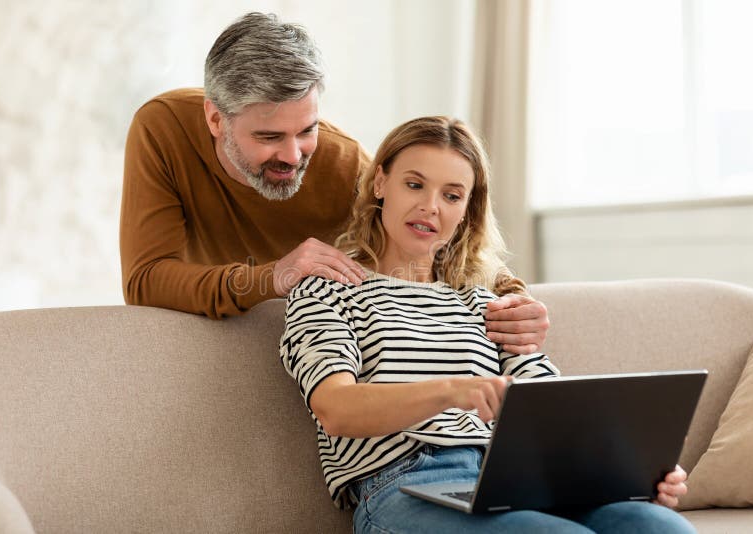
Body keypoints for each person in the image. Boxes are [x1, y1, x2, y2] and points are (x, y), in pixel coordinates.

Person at [280, 116, 694, 533]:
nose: (431, 206)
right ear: (380, 183)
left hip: (516, 482)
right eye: (414, 184)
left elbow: (551, 408)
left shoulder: (484, 302)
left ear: (466, 210)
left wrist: (631, 468)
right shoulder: (327, 290)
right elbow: (334, 407)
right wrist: (452, 390)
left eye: (452, 195)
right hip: (402, 488)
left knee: (659, 526)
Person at [119, 12, 549, 356]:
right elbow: (145, 281)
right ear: (216, 119)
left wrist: (514, 294)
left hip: (318, 339)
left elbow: (436, 229)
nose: (292, 155)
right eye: (269, 137)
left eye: (307, 129)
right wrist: (273, 277)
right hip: (201, 337)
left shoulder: (343, 163)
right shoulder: (163, 128)